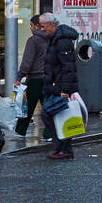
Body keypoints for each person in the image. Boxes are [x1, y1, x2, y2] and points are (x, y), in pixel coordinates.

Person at [38, 13, 80, 159]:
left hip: (61, 87)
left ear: (51, 24)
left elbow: (68, 67)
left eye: (43, 27)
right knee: (60, 115)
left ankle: (63, 147)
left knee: (48, 113)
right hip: (56, 86)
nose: (42, 30)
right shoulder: (55, 39)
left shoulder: (62, 41)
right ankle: (63, 148)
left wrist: (65, 90)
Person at [15, 14, 49, 138]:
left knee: (28, 107)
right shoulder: (50, 38)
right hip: (48, 78)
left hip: (35, 78)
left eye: (31, 25)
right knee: (47, 106)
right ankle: (49, 133)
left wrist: (19, 76)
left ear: (36, 26)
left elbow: (27, 62)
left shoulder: (33, 40)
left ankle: (20, 131)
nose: (30, 27)